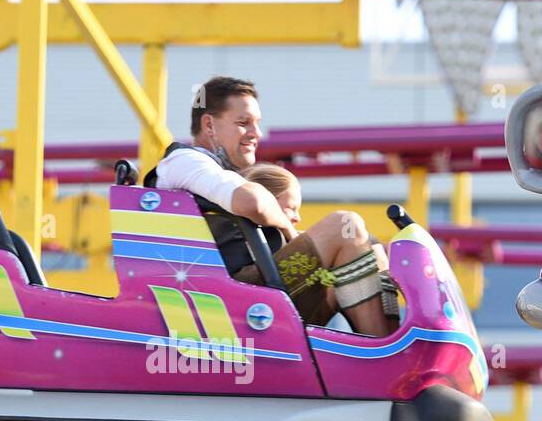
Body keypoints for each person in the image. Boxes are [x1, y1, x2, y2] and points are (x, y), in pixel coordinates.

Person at [146, 76, 396, 336]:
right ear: (209, 125)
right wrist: (289, 231)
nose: (257, 133)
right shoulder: (184, 160)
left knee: (370, 244)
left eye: (257, 123)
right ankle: (385, 355)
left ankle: (387, 340)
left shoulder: (218, 172)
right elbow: (252, 201)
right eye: (244, 123)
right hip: (225, 301)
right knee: (345, 225)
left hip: (240, 293)